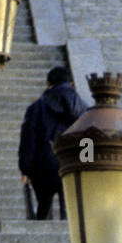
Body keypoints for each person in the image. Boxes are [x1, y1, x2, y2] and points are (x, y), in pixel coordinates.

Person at [18, 66, 88, 220]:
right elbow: (88, 138)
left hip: (42, 166)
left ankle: (41, 229)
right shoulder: (84, 110)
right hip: (73, 165)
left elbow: (29, 139)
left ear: (48, 82)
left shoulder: (36, 108)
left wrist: (25, 168)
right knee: (70, 210)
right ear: (71, 84)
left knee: (43, 206)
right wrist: (86, 163)